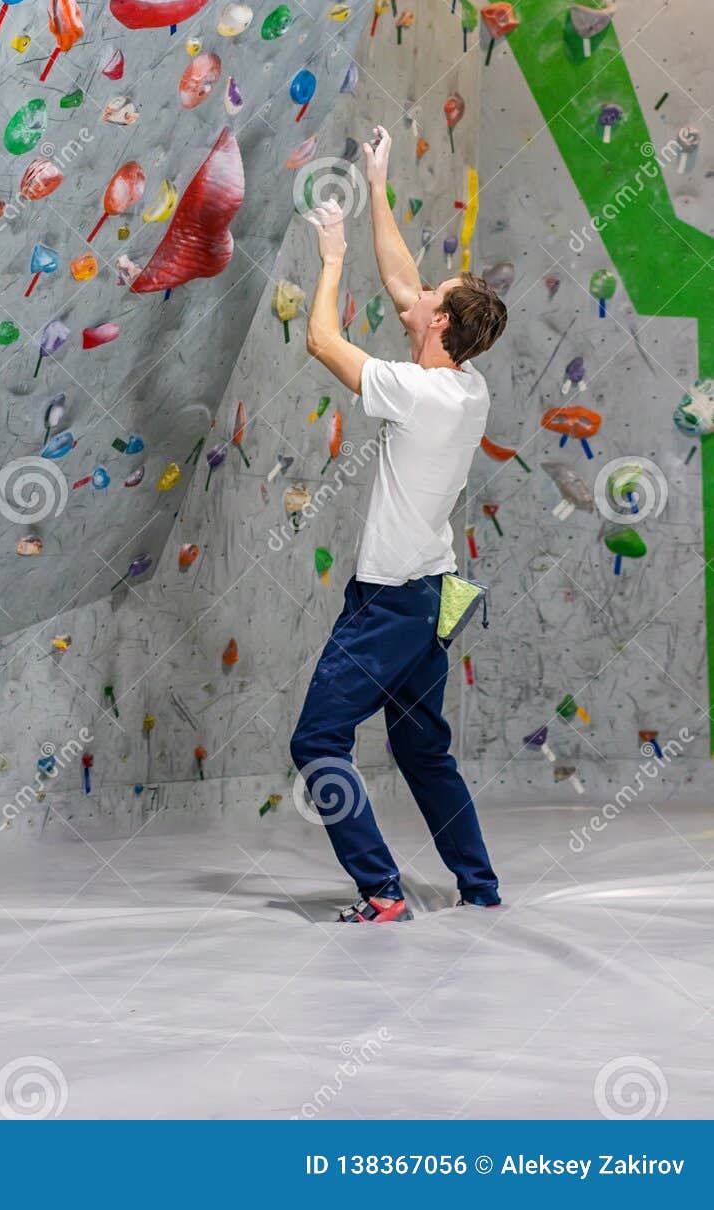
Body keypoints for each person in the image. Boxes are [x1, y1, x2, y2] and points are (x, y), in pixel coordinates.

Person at [290, 126, 508, 923]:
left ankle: (381, 891)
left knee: (316, 742)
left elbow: (321, 339)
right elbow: (404, 280)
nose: (412, 298)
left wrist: (331, 258)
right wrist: (376, 184)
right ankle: (479, 888)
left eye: (427, 300)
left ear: (438, 326)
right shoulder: (466, 387)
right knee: (421, 748)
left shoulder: (413, 393)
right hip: (436, 595)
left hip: (390, 603)